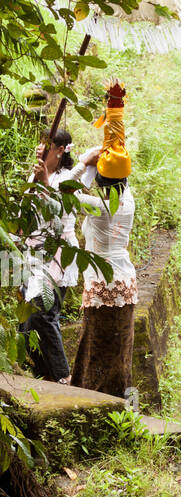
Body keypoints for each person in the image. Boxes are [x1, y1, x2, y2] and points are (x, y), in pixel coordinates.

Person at [71, 83, 138, 398]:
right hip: (125, 282)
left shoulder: (97, 208)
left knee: (97, 350)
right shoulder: (128, 200)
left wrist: (84, 161)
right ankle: (118, 403)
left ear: (98, 180)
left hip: (102, 284)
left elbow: (62, 192)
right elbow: (118, 168)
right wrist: (114, 114)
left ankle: (95, 402)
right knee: (118, 352)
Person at [22, 128, 80, 383]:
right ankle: (43, 374)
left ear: (59, 150)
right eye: (39, 144)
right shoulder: (37, 173)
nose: (39, 149)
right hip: (33, 251)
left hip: (58, 252)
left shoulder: (68, 179)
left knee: (44, 315)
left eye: (45, 145)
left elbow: (63, 216)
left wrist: (45, 182)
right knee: (26, 321)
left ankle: (63, 377)